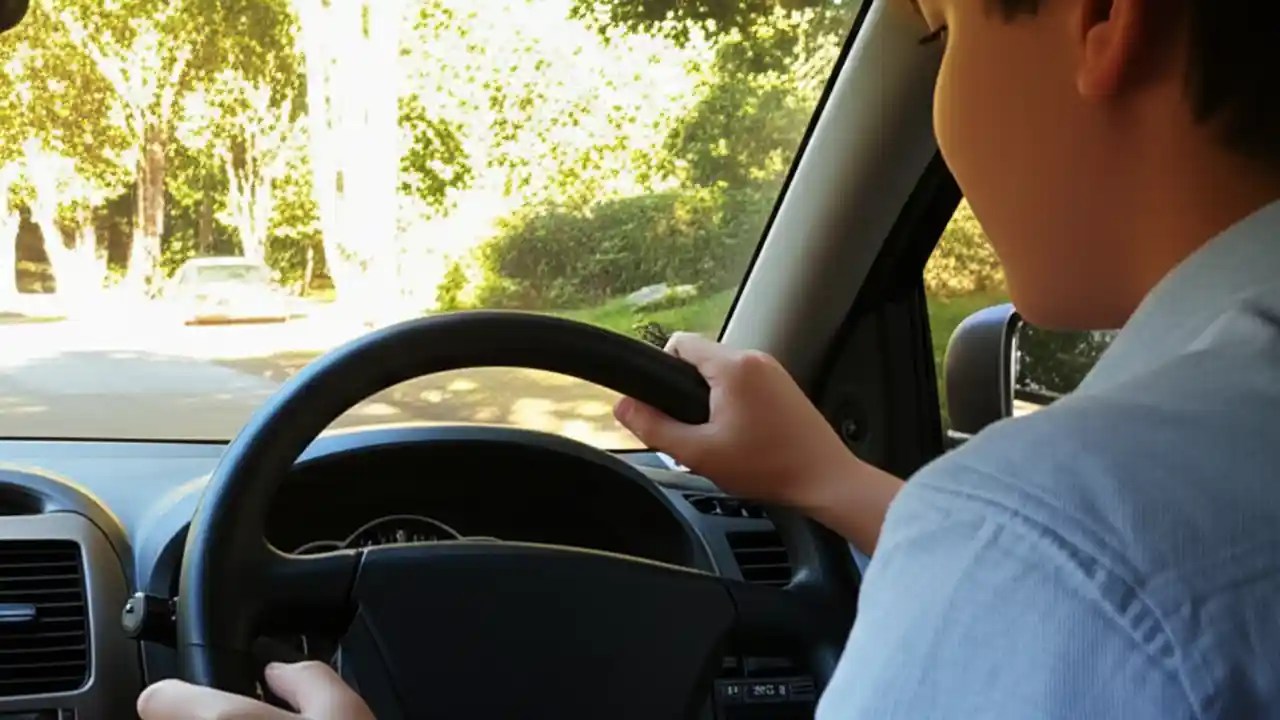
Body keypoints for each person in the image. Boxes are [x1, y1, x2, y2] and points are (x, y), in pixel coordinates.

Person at [139, 0, 1280, 716]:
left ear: (1100, 19)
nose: (940, 90)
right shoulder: (1120, 520)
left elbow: (1076, 577)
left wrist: (977, 527)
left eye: (941, 29)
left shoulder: (1060, 536)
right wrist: (827, 482)